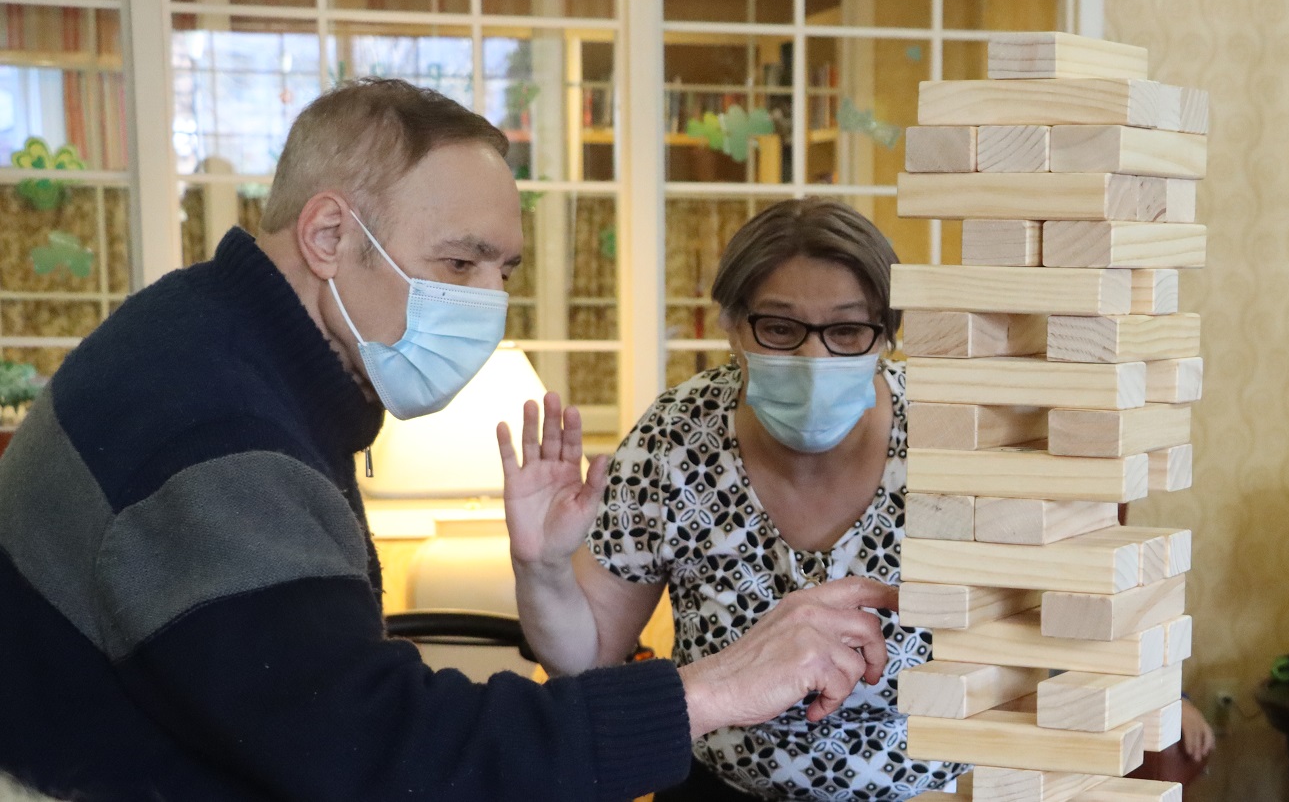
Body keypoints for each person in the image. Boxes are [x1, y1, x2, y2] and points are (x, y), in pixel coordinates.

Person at [0, 80, 898, 801]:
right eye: (457, 263)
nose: (485, 302)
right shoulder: (217, 428)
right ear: (327, 234)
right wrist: (711, 689)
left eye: (501, 270)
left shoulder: (217, 348)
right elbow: (377, 754)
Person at [508, 198, 966, 800]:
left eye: (848, 330)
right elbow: (586, 657)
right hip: (719, 787)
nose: (813, 358)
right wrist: (541, 569)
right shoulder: (676, 434)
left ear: (887, 335)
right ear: (730, 324)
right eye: (779, 328)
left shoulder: (955, 435)